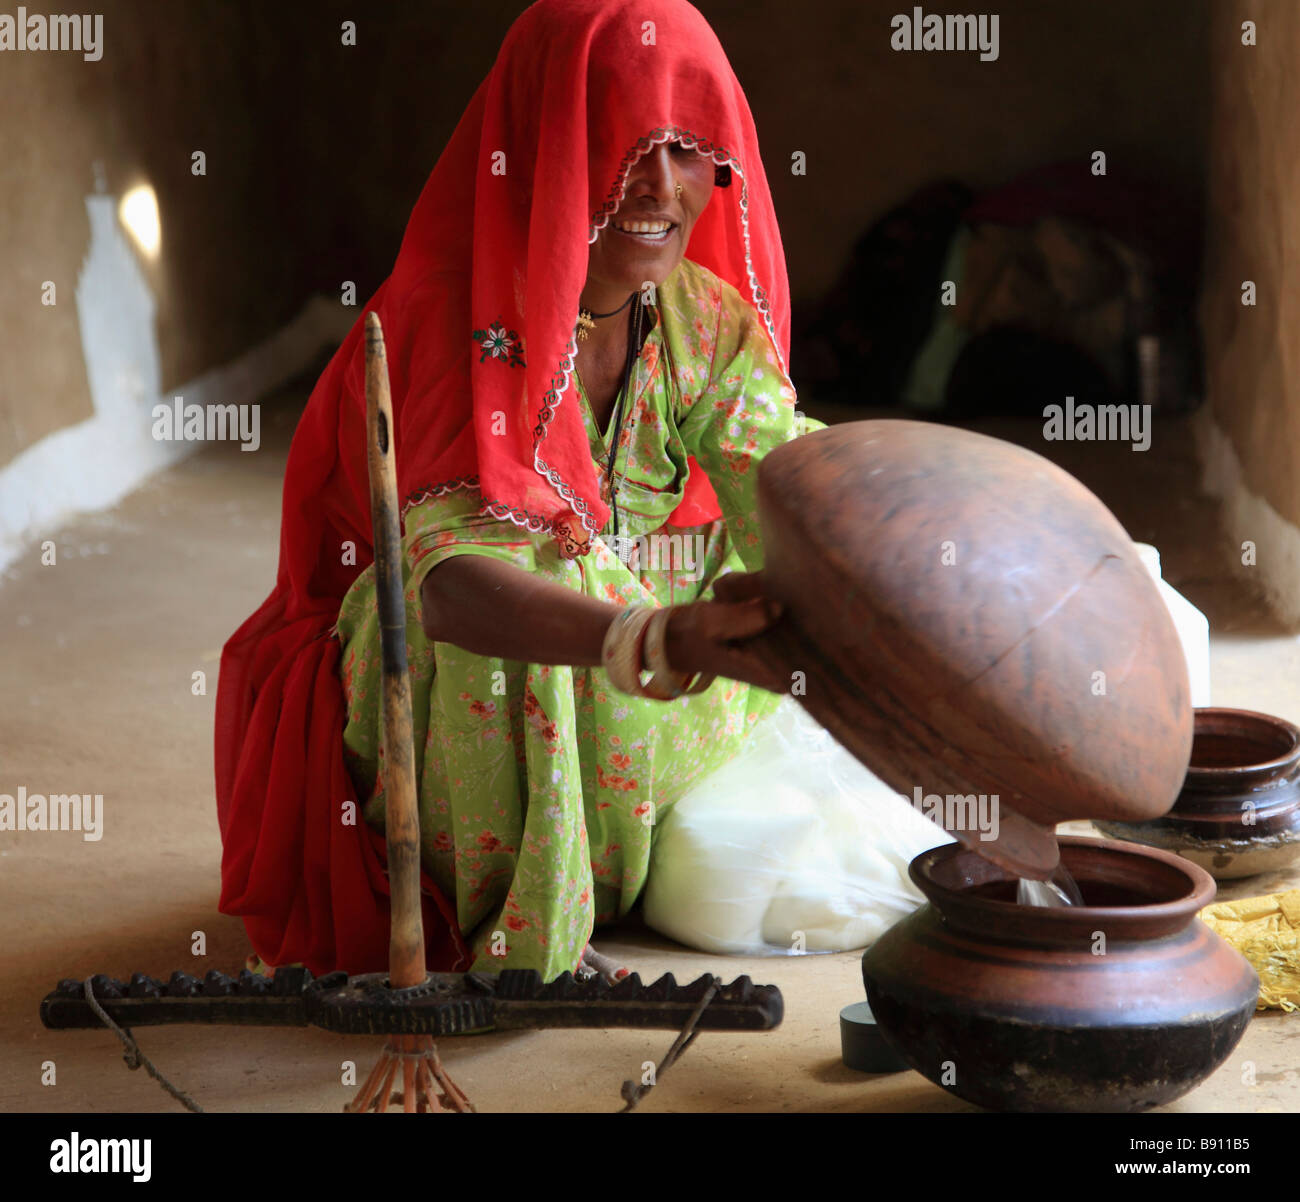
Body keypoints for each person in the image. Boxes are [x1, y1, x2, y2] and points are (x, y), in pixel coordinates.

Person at [214, 0, 823, 983]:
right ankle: (528, 932)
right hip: (429, 689)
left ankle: (599, 851)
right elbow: (448, 590)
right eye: (625, 144)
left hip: (622, 693)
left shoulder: (700, 320)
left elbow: (791, 485)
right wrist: (655, 636)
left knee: (731, 571)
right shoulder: (443, 320)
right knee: (522, 575)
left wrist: (929, 551)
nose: (662, 186)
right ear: (544, 148)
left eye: (687, 147)